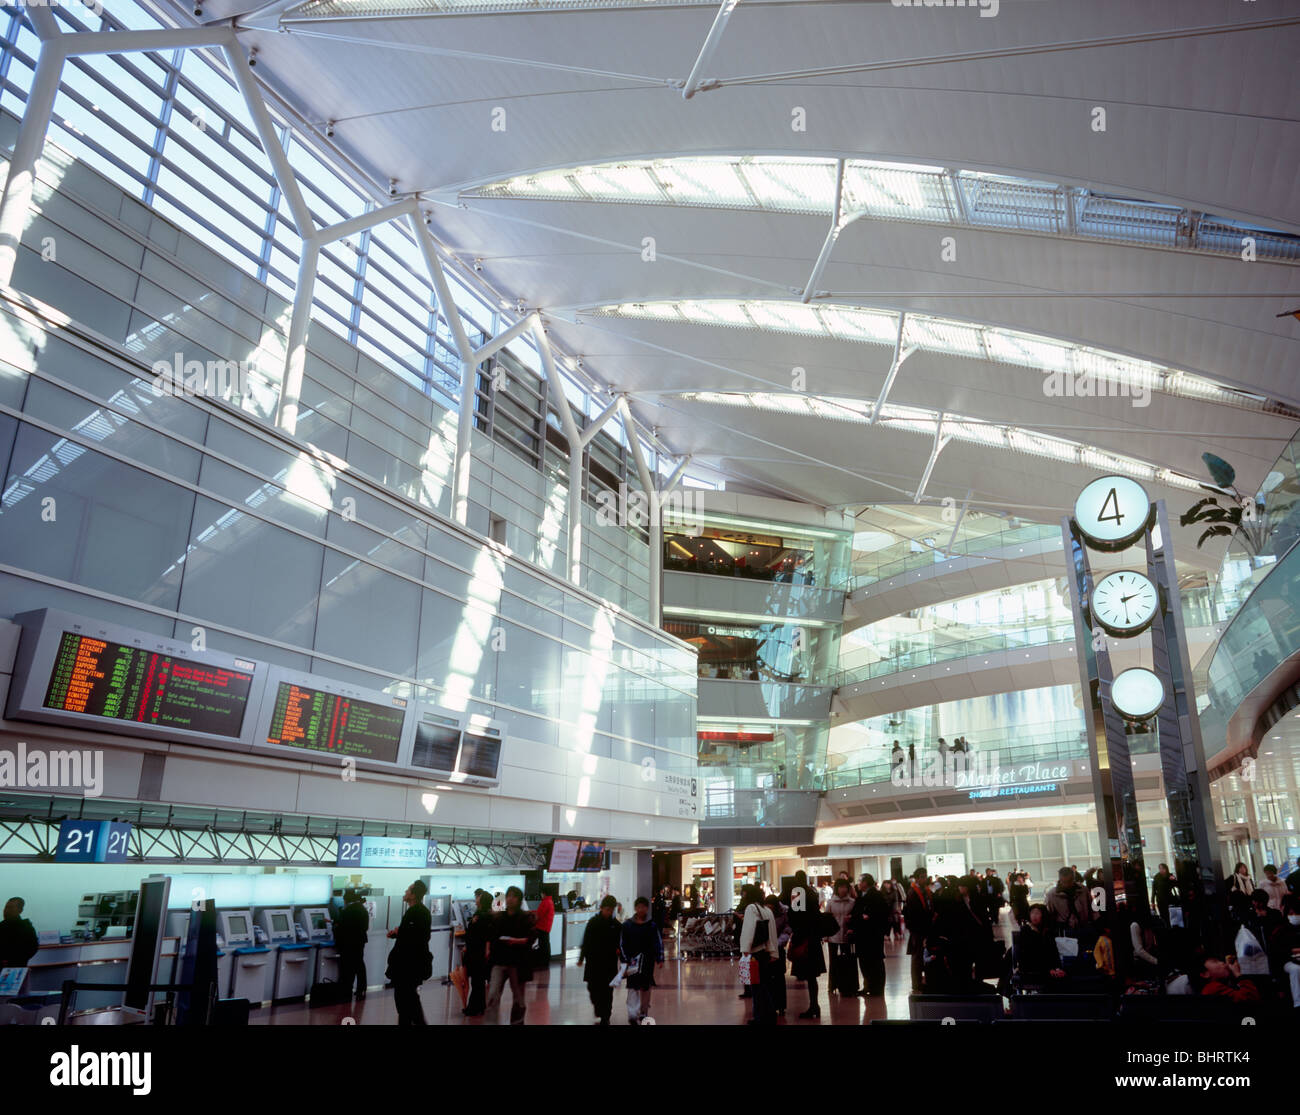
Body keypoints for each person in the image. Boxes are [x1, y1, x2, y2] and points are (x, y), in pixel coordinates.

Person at [486, 886, 535, 1025]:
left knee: (518, 998)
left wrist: (516, 941)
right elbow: (492, 935)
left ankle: (517, 1022)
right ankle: (490, 1022)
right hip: (499, 960)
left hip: (517, 962)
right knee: (493, 995)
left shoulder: (526, 917)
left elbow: (531, 938)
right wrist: (489, 950)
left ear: (519, 899)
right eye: (508, 896)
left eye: (514, 896)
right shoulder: (499, 917)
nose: (510, 899)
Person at [386, 880, 432, 1025]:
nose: (405, 892)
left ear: (413, 895)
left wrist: (400, 933)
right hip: (410, 964)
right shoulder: (417, 911)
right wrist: (399, 933)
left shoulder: (417, 912)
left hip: (409, 965)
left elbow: (416, 938)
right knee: (406, 1000)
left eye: (407, 890)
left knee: (407, 1000)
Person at [784, 870, 826, 1018]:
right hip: (813, 938)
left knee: (809, 974)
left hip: (804, 938)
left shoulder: (797, 892)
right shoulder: (812, 892)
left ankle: (814, 1006)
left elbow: (795, 916)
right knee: (812, 976)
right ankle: (814, 1005)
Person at [577, 895, 622, 1025]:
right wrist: (581, 958)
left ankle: (605, 1016)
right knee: (593, 988)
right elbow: (586, 941)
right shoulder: (593, 923)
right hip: (594, 962)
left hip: (609, 963)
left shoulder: (616, 925)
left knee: (608, 991)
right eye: (607, 909)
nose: (609, 912)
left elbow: (622, 944)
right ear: (601, 908)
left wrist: (622, 957)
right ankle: (598, 1008)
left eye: (611, 910)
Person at [619, 897, 664, 1024]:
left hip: (647, 961)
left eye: (644, 907)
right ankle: (632, 1014)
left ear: (647, 909)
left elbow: (658, 942)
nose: (641, 909)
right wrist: (625, 959)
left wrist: (660, 958)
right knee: (633, 987)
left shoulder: (652, 925)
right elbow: (622, 944)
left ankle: (643, 1011)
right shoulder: (627, 925)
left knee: (646, 987)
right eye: (639, 907)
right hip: (632, 961)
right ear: (635, 908)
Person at [739, 884, 778, 1025]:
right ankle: (770, 1014)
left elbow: (748, 930)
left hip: (755, 952)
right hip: (766, 952)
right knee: (765, 984)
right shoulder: (767, 910)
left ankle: (760, 1017)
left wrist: (745, 948)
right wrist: (774, 952)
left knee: (756, 986)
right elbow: (772, 931)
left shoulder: (751, 908)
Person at [851, 874, 889, 996]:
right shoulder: (861, 895)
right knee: (864, 961)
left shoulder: (876, 895)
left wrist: (869, 917)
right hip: (862, 934)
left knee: (875, 961)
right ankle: (868, 985)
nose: (858, 883)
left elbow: (883, 913)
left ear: (866, 883)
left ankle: (877, 988)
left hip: (873, 934)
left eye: (860, 881)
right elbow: (856, 911)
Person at [1016, 904, 1067, 989]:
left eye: (1037, 913)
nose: (1034, 916)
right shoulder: (1026, 931)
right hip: (1031, 969)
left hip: (1047, 968)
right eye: (1032, 913)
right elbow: (1029, 956)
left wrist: (1058, 968)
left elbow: (1054, 952)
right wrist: (1048, 970)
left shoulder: (1047, 932)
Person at [333, 888, 369, 999]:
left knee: (348, 967)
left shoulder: (347, 910)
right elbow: (365, 927)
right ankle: (361, 989)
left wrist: (334, 927)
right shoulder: (362, 909)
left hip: (348, 943)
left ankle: (346, 989)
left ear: (346, 900)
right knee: (359, 965)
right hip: (359, 941)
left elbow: (341, 927)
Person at [462, 891, 494, 1016]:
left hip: (476, 952)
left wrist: (486, 950)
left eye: (479, 896)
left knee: (477, 981)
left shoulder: (481, 915)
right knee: (478, 981)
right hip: (477, 951)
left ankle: (474, 1007)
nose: (476, 898)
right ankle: (479, 1006)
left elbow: (484, 935)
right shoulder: (485, 914)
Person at [825, 879, 858, 995]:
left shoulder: (852, 902)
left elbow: (855, 918)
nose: (843, 889)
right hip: (833, 936)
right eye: (841, 887)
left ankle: (847, 984)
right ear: (837, 889)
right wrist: (825, 935)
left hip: (847, 936)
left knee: (848, 961)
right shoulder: (831, 902)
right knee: (833, 962)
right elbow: (827, 919)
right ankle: (832, 985)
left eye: (845, 887)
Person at [904, 867, 934, 992]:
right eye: (922, 876)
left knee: (925, 955)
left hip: (926, 928)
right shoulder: (912, 893)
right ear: (917, 878)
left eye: (925, 876)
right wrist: (914, 929)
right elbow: (911, 913)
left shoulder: (926, 891)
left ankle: (925, 981)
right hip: (918, 930)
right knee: (917, 957)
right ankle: (916, 983)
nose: (924, 878)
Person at [764, 893, 791, 1017]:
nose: (769, 910)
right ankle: (770, 1005)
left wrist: (777, 944)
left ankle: (780, 1006)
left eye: (771, 908)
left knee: (779, 978)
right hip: (766, 950)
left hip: (778, 949)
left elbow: (787, 930)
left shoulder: (784, 913)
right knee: (768, 978)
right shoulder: (763, 913)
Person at [0, 897, 38, 969]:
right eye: (6, 907)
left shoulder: (26, 928)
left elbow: (32, 948)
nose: (6, 911)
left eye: (10, 908)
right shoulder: (1, 926)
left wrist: (14, 960)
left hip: (17, 968)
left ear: (20, 910)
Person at [533, 889, 556, 973]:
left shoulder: (545, 902)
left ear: (544, 893)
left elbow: (539, 914)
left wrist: (534, 921)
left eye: (541, 893)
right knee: (545, 944)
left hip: (542, 926)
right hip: (546, 926)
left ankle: (542, 961)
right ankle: (545, 961)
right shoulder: (550, 901)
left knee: (543, 944)